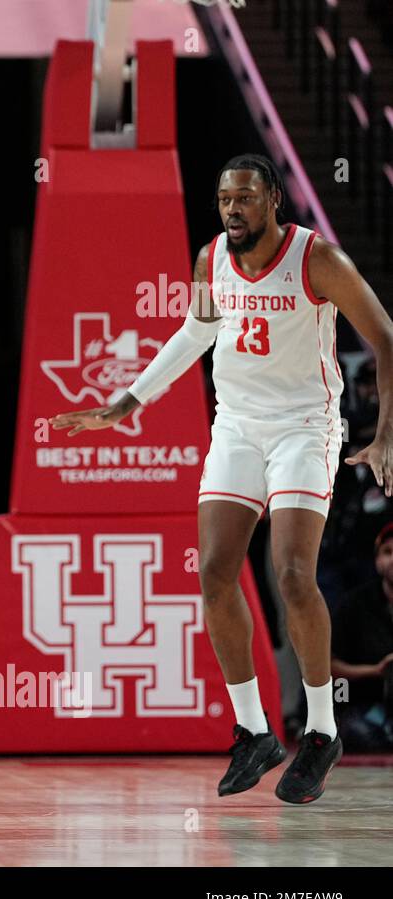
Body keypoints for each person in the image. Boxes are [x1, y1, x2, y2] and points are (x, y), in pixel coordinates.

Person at [51, 154, 393, 804]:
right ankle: (254, 729)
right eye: (223, 199)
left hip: (303, 425)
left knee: (292, 575)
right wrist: (128, 401)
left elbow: (385, 336)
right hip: (236, 425)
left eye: (244, 199)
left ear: (271, 201)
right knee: (213, 571)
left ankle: (321, 731)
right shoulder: (212, 259)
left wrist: (387, 434)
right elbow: (197, 331)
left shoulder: (317, 259)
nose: (231, 210)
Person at [328, 524, 393, 751]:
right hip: (366, 704)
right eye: (387, 552)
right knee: (354, 730)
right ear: (376, 561)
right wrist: (378, 670)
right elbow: (331, 667)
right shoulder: (353, 605)